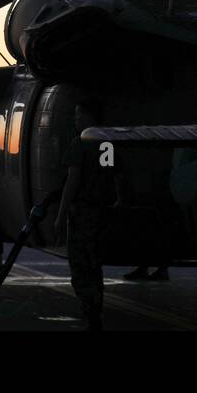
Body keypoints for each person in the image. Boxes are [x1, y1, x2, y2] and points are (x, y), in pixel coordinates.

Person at [54, 100, 116, 330]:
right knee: (94, 263)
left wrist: (60, 216)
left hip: (81, 214)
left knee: (80, 264)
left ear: (91, 117)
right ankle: (95, 305)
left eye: (80, 115)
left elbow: (72, 182)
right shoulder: (106, 145)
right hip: (100, 212)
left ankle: (88, 307)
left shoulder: (79, 145)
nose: (76, 119)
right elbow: (110, 176)